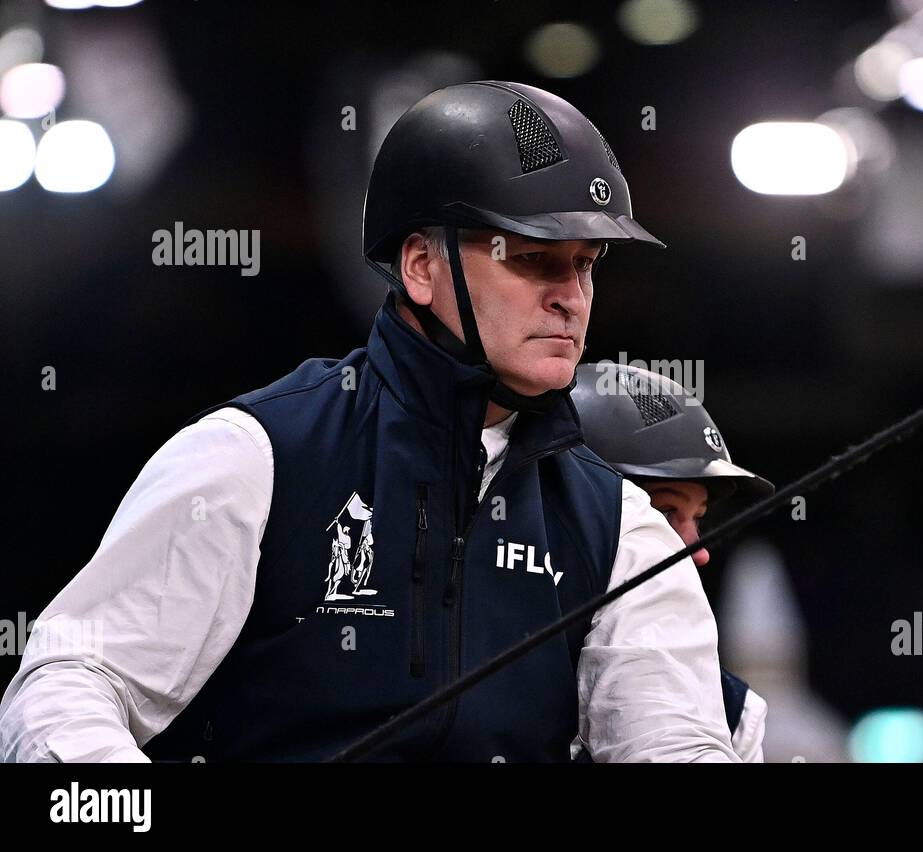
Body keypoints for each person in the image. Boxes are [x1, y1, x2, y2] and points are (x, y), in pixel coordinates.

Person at [0, 81, 741, 763]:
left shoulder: (621, 524)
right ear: (422, 265)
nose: (572, 296)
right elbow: (70, 683)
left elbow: (676, 746)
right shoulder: (252, 458)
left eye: (586, 263)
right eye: (536, 259)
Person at [571, 363, 775, 761]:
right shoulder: (482, 669)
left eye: (697, 519)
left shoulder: (734, 716)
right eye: (663, 514)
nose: (699, 551)